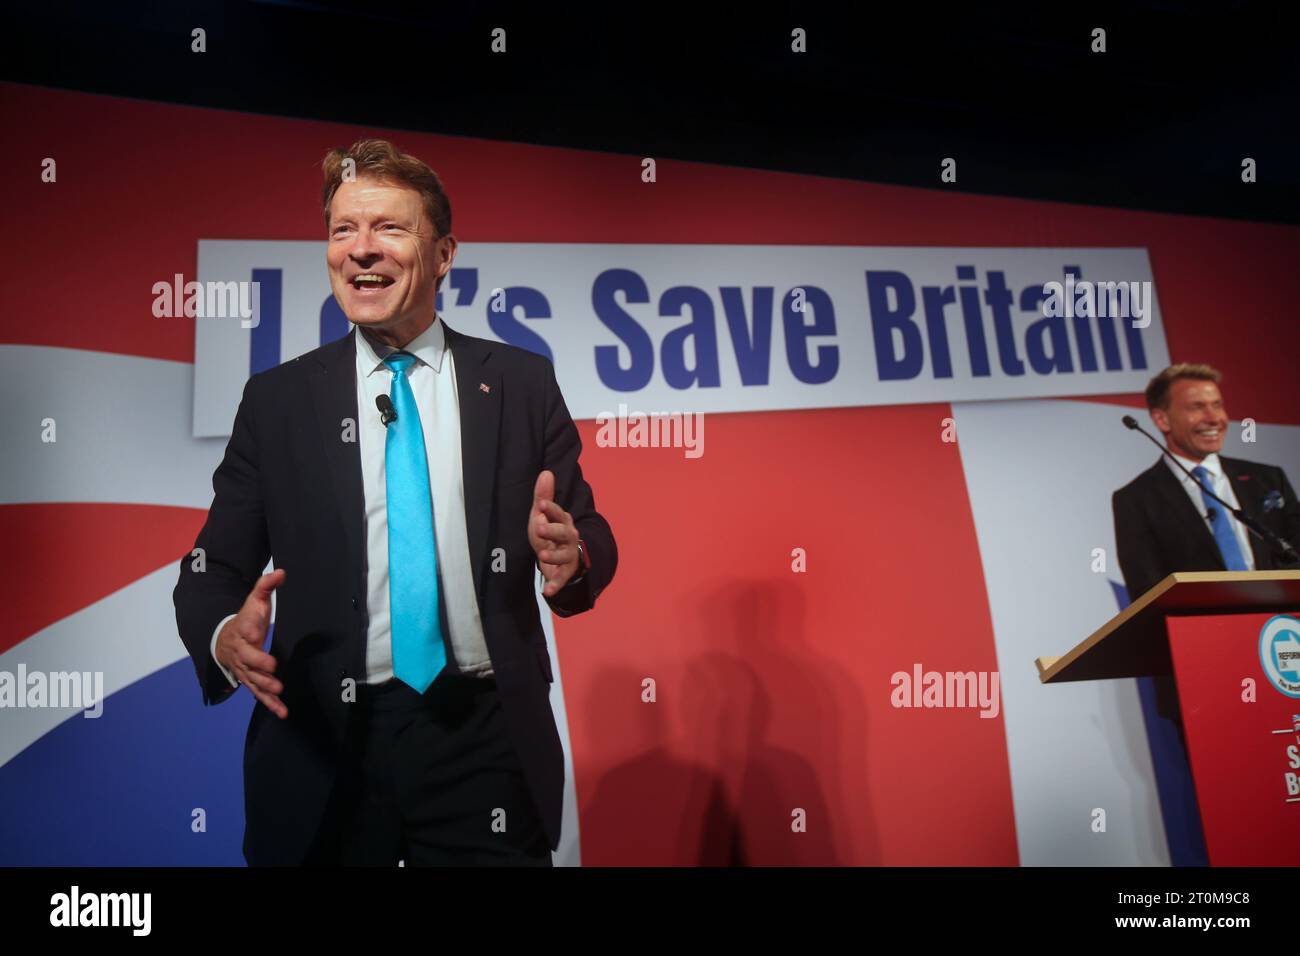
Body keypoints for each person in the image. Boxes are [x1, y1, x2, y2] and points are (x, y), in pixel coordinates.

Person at [173, 139, 617, 866]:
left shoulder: (520, 383)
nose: (361, 250)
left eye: (389, 228)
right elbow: (210, 566)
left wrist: (575, 557)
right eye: (343, 229)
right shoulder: (279, 401)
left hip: (482, 743)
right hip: (324, 744)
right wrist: (225, 633)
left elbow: (586, 528)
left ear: (443, 253)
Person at [1112, 362, 1298, 722]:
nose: (1214, 417)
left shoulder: (1265, 480)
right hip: (1205, 674)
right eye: (1197, 407)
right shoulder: (1136, 500)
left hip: (1287, 656)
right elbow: (1150, 596)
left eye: (1217, 404)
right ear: (1162, 420)